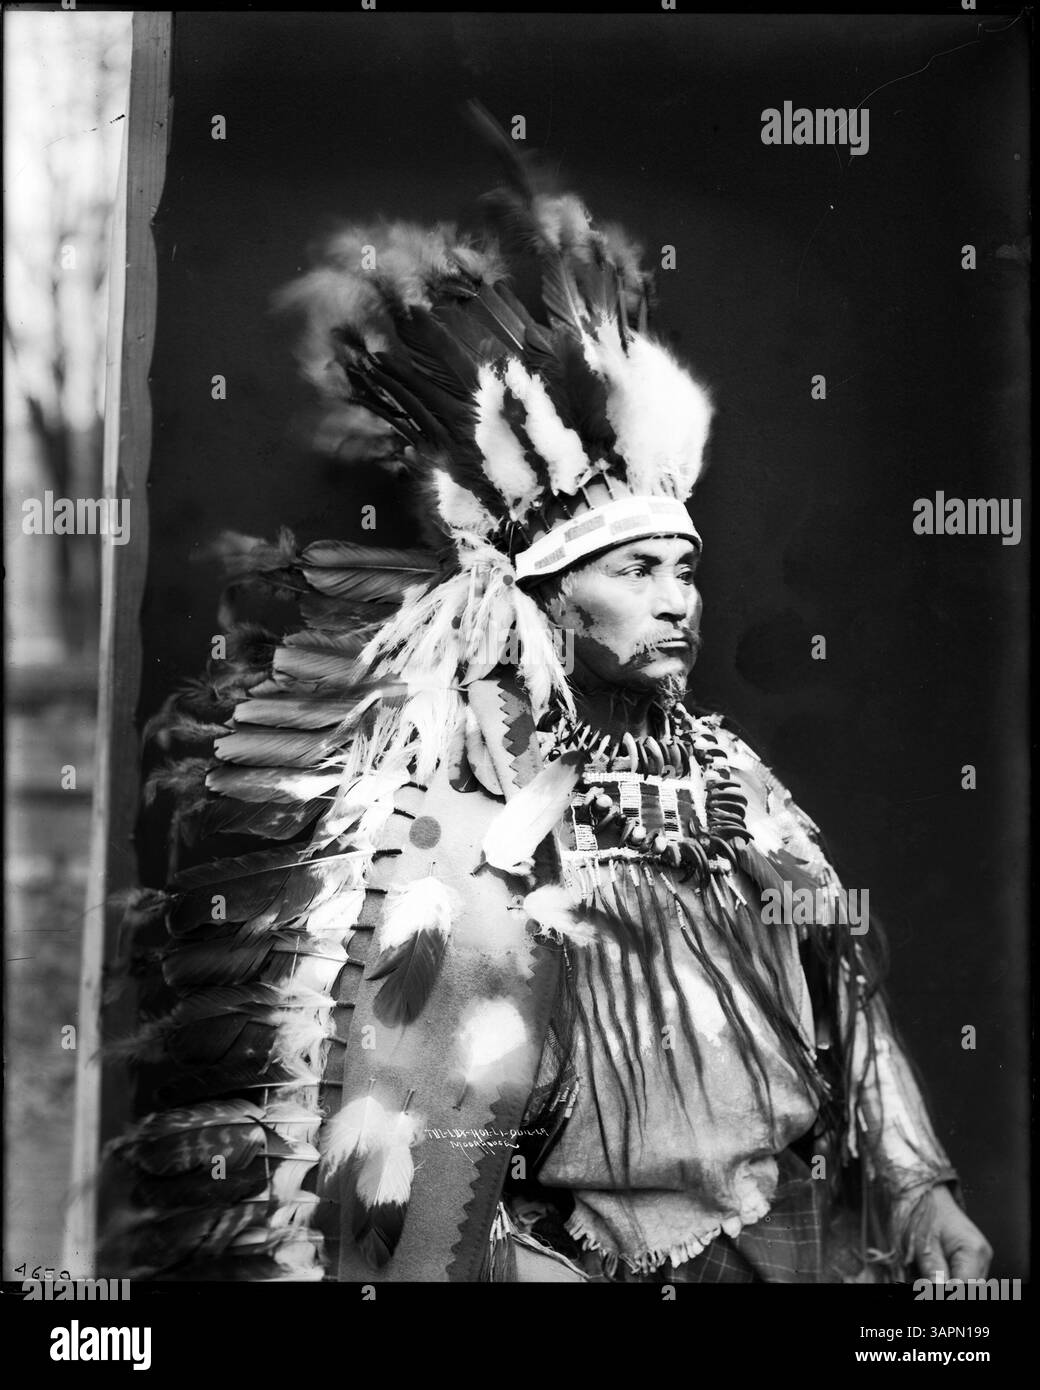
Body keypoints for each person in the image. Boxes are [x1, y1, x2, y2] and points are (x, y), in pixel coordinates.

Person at [102, 107, 991, 1284]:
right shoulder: (477, 794)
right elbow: (417, 1107)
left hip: (787, 1241)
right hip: (574, 1256)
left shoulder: (735, 785)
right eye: (636, 571)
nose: (677, 599)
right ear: (552, 599)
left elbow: (845, 987)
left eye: (685, 569)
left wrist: (916, 1184)